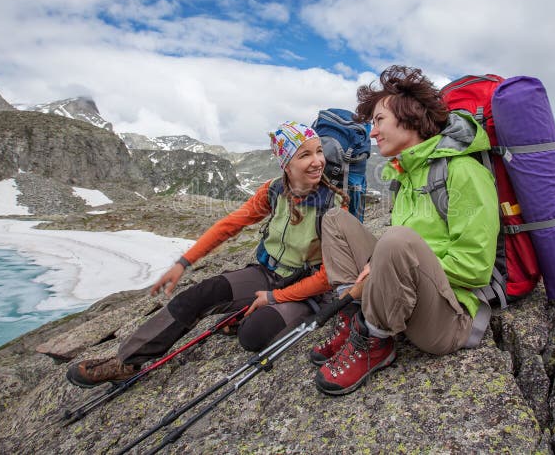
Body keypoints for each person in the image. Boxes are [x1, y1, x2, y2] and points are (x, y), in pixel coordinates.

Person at [66, 121, 351, 388]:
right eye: (305, 155)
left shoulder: (332, 206)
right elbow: (230, 225)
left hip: (307, 293)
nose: (318, 161)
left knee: (252, 335)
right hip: (267, 273)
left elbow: (327, 277)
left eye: (318, 152)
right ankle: (126, 361)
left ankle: (256, 314)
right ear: (286, 164)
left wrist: (275, 297)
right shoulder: (275, 191)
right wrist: (184, 262)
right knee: (198, 295)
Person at [309, 65, 499, 396]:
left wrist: (393, 266)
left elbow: (476, 266)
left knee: (396, 240)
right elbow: (400, 252)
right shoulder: (406, 176)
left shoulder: (463, 171)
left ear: (409, 116)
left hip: (447, 318)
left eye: (379, 120)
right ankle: (353, 318)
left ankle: (375, 340)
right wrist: (381, 267)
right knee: (336, 219)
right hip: (409, 294)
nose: (372, 132)